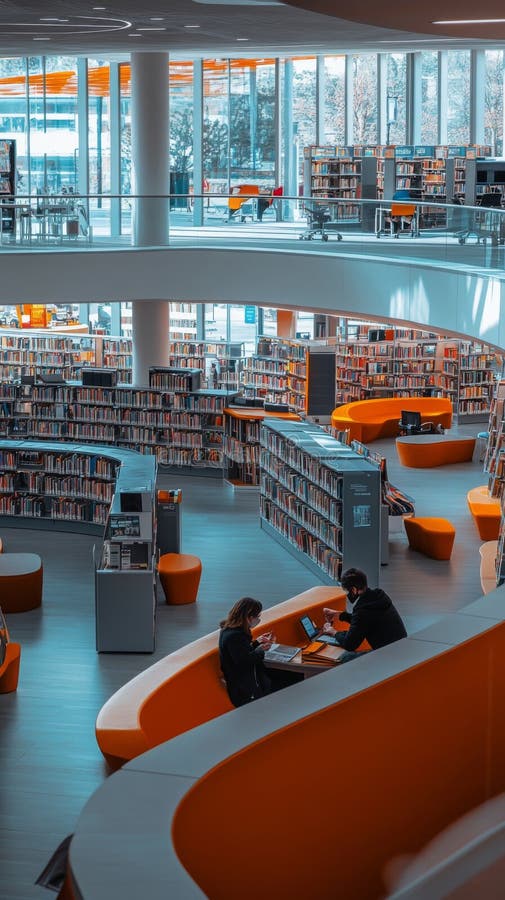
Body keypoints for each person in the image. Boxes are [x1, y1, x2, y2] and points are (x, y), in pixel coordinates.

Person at [322, 567, 407, 663]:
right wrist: (339, 615)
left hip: (389, 657)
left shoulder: (363, 610)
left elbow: (349, 644)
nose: (346, 594)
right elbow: (363, 621)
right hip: (400, 649)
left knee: (344, 657)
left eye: (346, 591)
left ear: (354, 590)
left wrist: (333, 632)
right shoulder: (378, 596)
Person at [218, 597, 275, 707]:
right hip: (244, 689)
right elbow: (244, 662)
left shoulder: (228, 630)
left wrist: (257, 643)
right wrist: (261, 650)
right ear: (248, 617)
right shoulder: (235, 636)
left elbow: (241, 652)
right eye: (257, 616)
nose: (258, 619)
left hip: (243, 683)